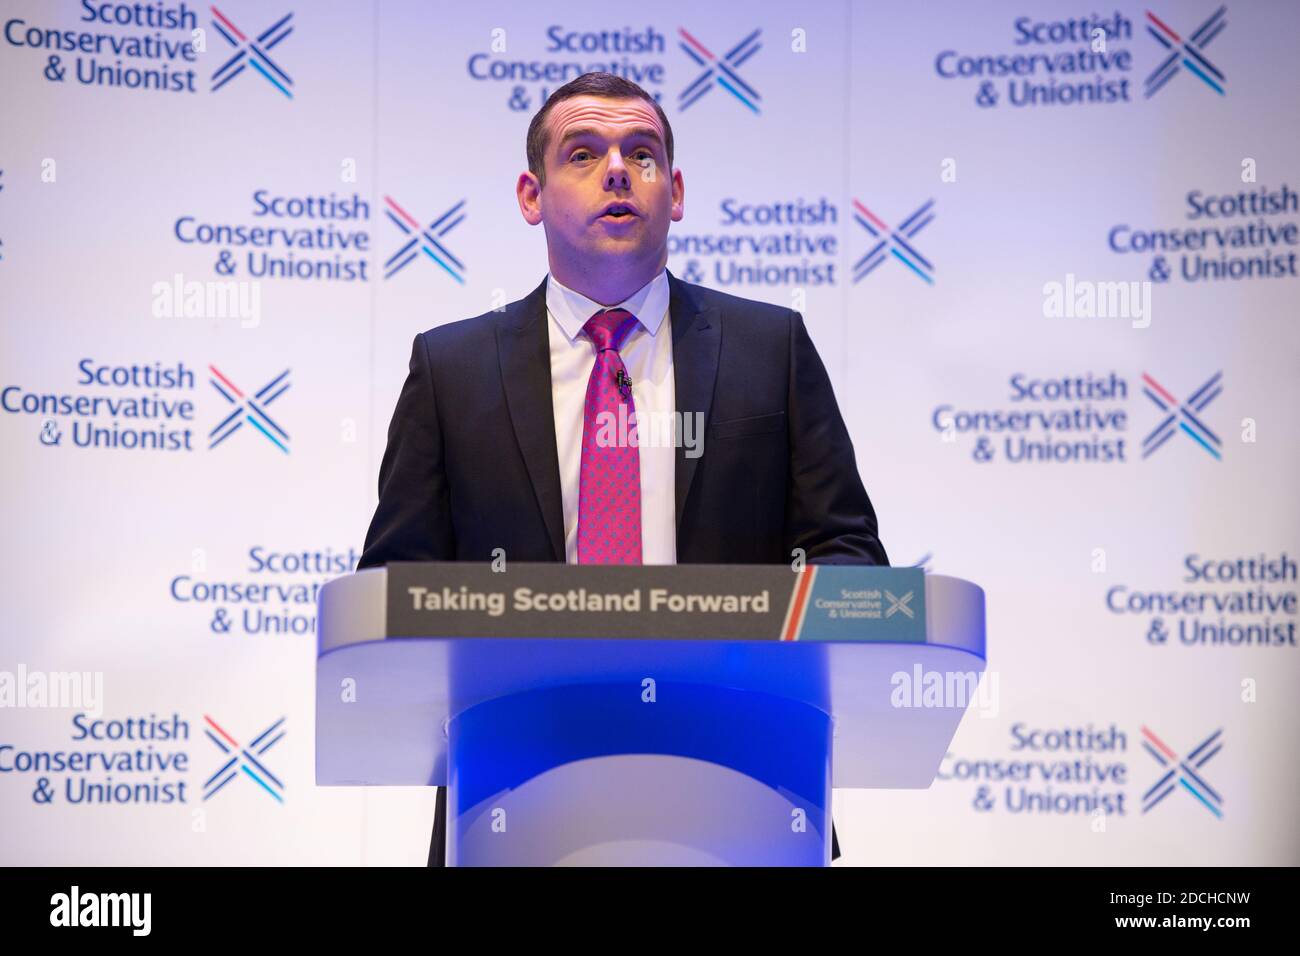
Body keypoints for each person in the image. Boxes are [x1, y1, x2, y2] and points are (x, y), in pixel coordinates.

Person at [357, 71, 888, 866]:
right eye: (583, 152)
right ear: (531, 196)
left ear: (674, 192)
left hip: (740, 790)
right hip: (513, 801)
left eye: (641, 153)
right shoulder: (452, 368)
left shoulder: (768, 349)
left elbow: (849, 562)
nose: (616, 169)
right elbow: (394, 588)